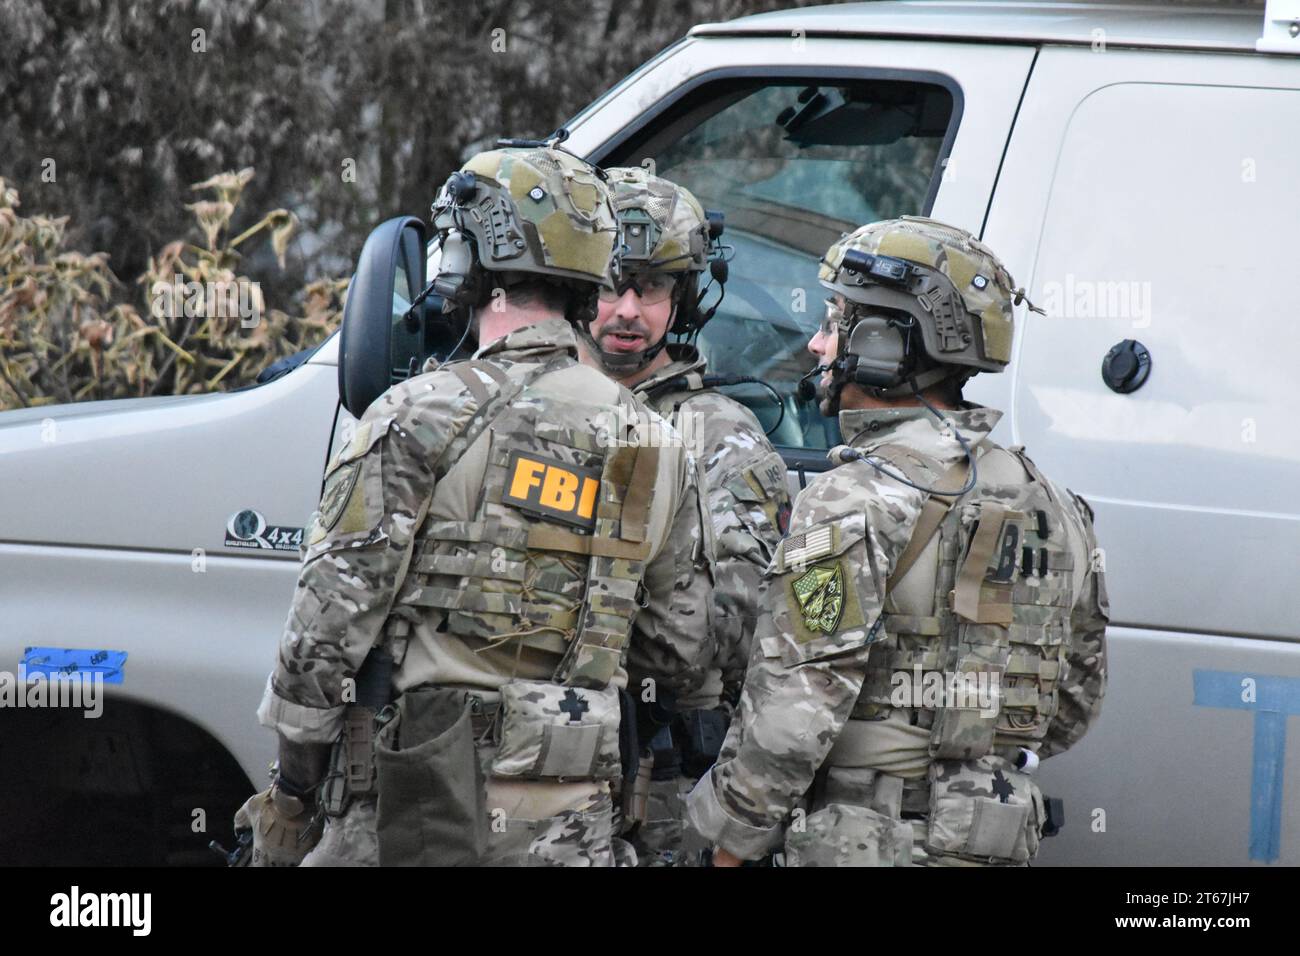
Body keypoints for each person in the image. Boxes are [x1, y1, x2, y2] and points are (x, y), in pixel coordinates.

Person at [234, 144, 713, 867]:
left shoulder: (416, 415)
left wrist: (292, 800)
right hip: (576, 829)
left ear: (464, 260)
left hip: (412, 819)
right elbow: (682, 654)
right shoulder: (658, 441)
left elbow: (320, 642)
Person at [686, 216, 1109, 867]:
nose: (817, 346)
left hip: (863, 840)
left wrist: (730, 842)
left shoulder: (853, 495)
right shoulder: (1057, 506)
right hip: (994, 839)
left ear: (884, 344)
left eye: (834, 326)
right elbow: (1074, 706)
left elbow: (797, 706)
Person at [578, 166, 791, 865]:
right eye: (611, 285)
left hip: (655, 767)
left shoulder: (718, 433)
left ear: (686, 299)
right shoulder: (541, 412)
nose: (628, 311)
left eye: (654, 289)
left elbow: (731, 632)